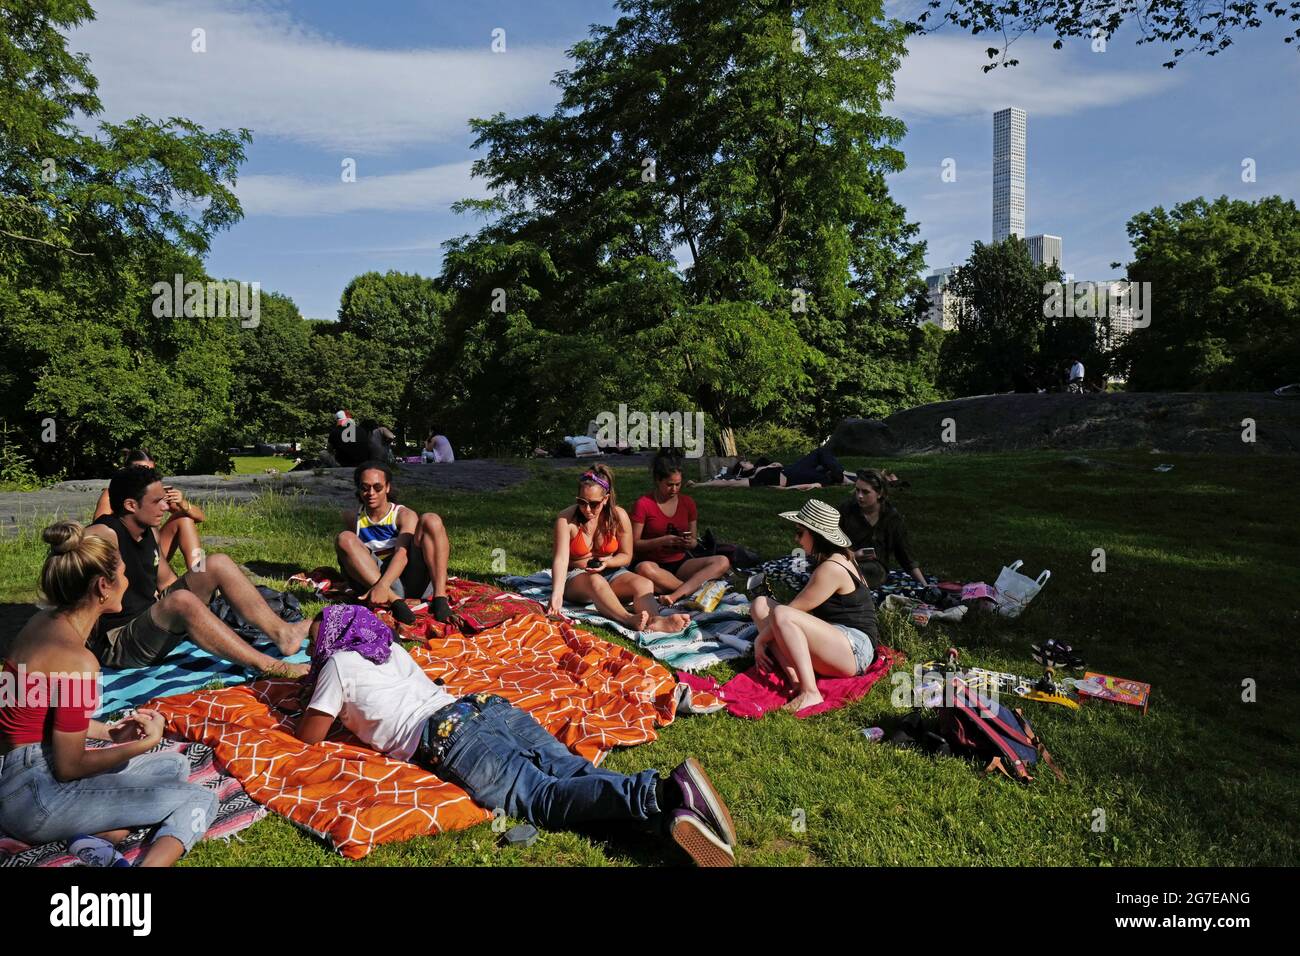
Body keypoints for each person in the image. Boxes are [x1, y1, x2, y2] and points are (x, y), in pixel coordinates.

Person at [287, 605, 736, 865]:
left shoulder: (337, 665)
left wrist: (309, 686)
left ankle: (658, 793)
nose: (314, 650)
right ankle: (667, 822)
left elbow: (310, 735)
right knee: (570, 771)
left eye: (315, 641)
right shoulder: (389, 651)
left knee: (540, 800)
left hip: (450, 736)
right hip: (485, 706)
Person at [0, 522, 218, 867]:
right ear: (103, 586)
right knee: (199, 798)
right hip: (40, 798)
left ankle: (89, 836)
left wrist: (109, 733)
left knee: (173, 764)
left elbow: (36, 714)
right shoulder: (77, 660)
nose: (128, 583)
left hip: (15, 781)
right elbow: (71, 767)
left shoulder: (39, 626)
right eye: (123, 575)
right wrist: (141, 745)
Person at [83, 465, 309, 676]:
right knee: (181, 599)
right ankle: (269, 666)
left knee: (215, 563)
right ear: (131, 505)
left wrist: (201, 608)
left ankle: (284, 634)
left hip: (148, 620)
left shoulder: (149, 530)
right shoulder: (104, 534)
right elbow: (67, 568)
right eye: (157, 501)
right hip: (118, 641)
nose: (165, 506)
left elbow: (165, 580)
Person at [750, 500, 878, 713]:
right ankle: (796, 680)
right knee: (760, 605)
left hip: (854, 649)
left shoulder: (831, 568)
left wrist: (760, 640)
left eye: (800, 533)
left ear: (817, 535)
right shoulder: (832, 559)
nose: (796, 539)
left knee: (782, 614)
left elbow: (791, 613)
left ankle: (811, 692)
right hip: (835, 636)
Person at [547, 466, 691, 634]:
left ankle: (655, 621)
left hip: (611, 572)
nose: (587, 509)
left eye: (594, 504)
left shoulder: (618, 516)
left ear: (605, 499)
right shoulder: (566, 519)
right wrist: (557, 595)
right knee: (596, 581)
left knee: (643, 583)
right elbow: (561, 559)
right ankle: (628, 619)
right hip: (577, 577)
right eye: (581, 502)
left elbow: (626, 556)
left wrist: (607, 562)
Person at [335, 461, 453, 622]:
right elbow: (349, 555)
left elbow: (402, 553)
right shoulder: (352, 517)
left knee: (431, 519)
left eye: (377, 487)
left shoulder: (403, 514)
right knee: (344, 538)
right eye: (365, 487)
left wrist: (384, 584)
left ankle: (440, 598)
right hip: (376, 581)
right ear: (359, 489)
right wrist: (383, 588)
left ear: (388, 487)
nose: (371, 493)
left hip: (409, 579)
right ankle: (395, 602)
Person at [630, 452, 730, 605]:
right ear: (658, 480)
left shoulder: (687, 503)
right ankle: (696, 591)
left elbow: (694, 542)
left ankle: (675, 593)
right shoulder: (643, 504)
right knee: (644, 569)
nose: (674, 489)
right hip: (653, 564)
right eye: (669, 485)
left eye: (678, 484)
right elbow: (634, 544)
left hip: (680, 563)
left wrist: (689, 542)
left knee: (722, 561)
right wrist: (661, 541)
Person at [93, 448, 205, 570]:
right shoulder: (111, 494)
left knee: (184, 519)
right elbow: (99, 537)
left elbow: (201, 517)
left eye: (151, 471)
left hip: (153, 551)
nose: (147, 476)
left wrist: (182, 503)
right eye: (140, 470)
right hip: (126, 556)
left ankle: (200, 573)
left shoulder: (155, 492)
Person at [837, 468, 927, 588]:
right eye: (857, 490)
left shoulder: (891, 517)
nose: (859, 496)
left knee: (870, 571)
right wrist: (853, 555)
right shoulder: (846, 510)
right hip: (844, 561)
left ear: (880, 493)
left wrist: (924, 585)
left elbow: (905, 556)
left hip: (874, 569)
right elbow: (830, 542)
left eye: (865, 492)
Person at [691, 445, 853, 490]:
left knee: (821, 452)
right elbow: (725, 483)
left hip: (791, 469)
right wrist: (699, 485)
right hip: (794, 476)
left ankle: (844, 477)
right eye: (745, 463)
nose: (748, 462)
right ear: (743, 470)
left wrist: (771, 465)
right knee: (825, 472)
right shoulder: (753, 479)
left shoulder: (762, 468)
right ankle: (845, 478)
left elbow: (780, 466)